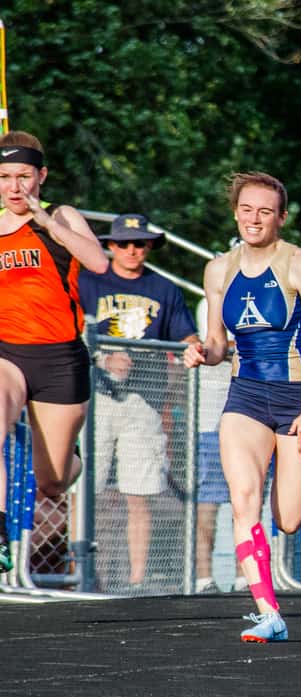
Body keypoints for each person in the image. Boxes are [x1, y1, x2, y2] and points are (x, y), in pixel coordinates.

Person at [184, 171, 301, 642]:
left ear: (281, 218)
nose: (254, 219)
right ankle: (268, 613)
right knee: (244, 500)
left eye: (265, 212)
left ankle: (271, 593)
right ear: (235, 212)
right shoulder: (218, 270)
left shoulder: (299, 265)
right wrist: (202, 351)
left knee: (288, 520)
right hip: (247, 396)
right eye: (247, 209)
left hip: (299, 399)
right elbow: (219, 343)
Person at [0, 131, 109, 573]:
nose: (14, 187)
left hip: (60, 360)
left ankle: (70, 457)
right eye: (5, 177)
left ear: (41, 176)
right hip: (7, 353)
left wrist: (46, 222)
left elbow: (99, 262)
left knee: (52, 481)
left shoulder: (61, 216)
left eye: (23, 176)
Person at [78, 213, 199, 591]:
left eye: (140, 243)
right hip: (96, 397)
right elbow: (70, 331)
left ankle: (136, 580)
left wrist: (197, 346)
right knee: (85, 489)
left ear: (149, 246)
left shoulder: (164, 288)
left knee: (139, 492)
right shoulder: (88, 282)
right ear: (110, 246)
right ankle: (81, 573)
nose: (132, 250)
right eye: (124, 243)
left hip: (144, 402)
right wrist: (103, 357)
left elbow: (186, 335)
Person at [193, 297, 233, 594]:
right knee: (208, 500)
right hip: (210, 418)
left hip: (248, 413)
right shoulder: (211, 300)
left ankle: (245, 575)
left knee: (248, 498)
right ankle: (204, 575)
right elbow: (215, 344)